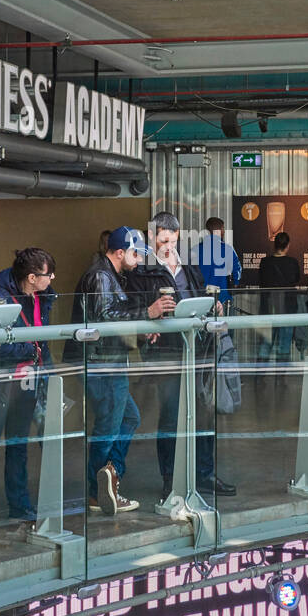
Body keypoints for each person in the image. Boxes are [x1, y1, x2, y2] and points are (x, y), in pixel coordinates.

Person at [67, 226, 174, 515]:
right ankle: (98, 490)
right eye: (135, 253)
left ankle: (109, 477)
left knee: (128, 418)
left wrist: (139, 332)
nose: (139, 259)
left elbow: (114, 318)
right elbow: (105, 319)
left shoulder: (111, 275)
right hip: (101, 364)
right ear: (118, 252)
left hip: (106, 361)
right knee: (109, 426)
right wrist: (147, 314)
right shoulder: (101, 276)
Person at [128, 211, 235, 499]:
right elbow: (134, 313)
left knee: (203, 415)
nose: (168, 247)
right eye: (163, 241)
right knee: (171, 416)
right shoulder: (141, 272)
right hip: (164, 353)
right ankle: (171, 479)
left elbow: (200, 297)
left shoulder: (188, 266)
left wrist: (214, 307)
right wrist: (148, 315)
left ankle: (204, 474)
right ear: (151, 236)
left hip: (197, 350)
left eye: (173, 241)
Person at [0, 247, 57, 526]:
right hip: (1, 382)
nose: (52, 279)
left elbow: (43, 339)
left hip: (30, 380)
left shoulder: (42, 296)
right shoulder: (1, 299)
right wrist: (29, 350)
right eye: (47, 274)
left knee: (19, 445)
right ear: (31, 277)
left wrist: (48, 373)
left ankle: (19, 505)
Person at [258, 231, 301, 364]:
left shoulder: (265, 262)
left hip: (268, 309)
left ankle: (259, 377)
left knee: (265, 344)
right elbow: (296, 280)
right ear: (288, 245)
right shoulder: (292, 262)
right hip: (287, 309)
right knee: (284, 344)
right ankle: (281, 379)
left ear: (275, 245)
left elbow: (262, 281)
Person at [194, 216, 242, 304]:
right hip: (223, 297)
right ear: (221, 229)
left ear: (208, 230)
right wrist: (235, 283)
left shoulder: (195, 249)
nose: (224, 231)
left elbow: (189, 274)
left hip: (201, 298)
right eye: (223, 228)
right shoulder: (227, 249)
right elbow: (237, 269)